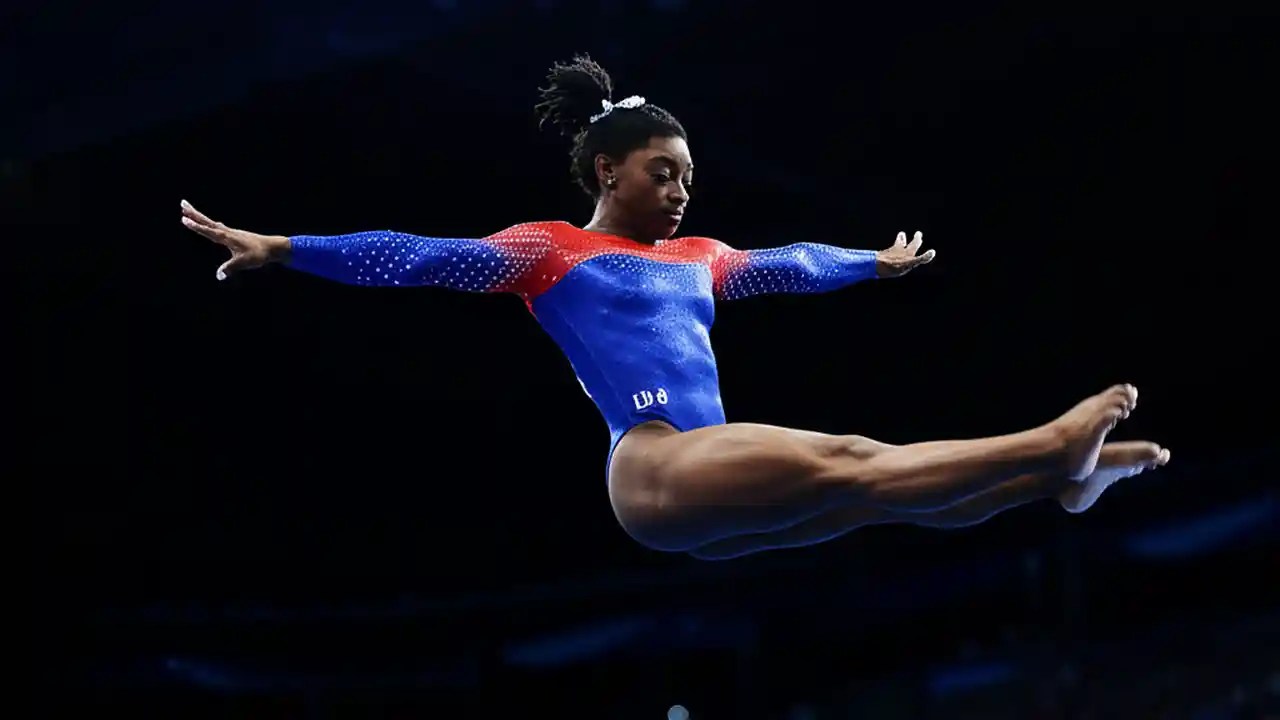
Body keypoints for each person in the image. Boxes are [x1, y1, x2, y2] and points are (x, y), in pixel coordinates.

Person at [180, 54, 1170, 560]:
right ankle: (1050, 444)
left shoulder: (700, 257)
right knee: (853, 456)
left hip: (703, 476)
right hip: (652, 465)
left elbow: (785, 264)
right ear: (607, 168)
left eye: (688, 175)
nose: (680, 190)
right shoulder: (550, 251)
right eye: (662, 172)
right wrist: (287, 248)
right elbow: (416, 258)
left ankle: (1060, 483)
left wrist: (868, 264)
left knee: (872, 495)